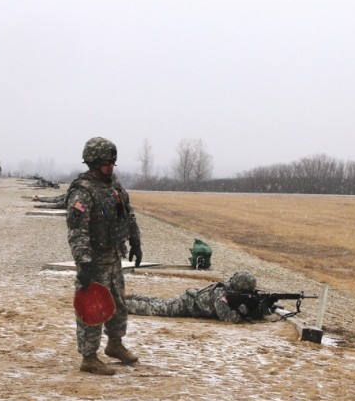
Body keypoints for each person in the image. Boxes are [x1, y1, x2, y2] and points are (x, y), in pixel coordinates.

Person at [66, 137, 142, 375]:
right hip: (94, 261)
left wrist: (136, 241)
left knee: (118, 303)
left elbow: (128, 214)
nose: (111, 166)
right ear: (93, 162)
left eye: (113, 162)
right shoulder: (83, 192)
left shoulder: (114, 186)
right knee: (92, 307)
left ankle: (115, 344)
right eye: (106, 163)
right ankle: (89, 357)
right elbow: (78, 232)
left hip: (113, 256)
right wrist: (84, 263)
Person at [125, 271, 258, 322]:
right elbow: (228, 318)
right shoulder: (221, 293)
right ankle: (123, 305)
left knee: (158, 302)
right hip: (187, 305)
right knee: (154, 309)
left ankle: (131, 296)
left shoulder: (230, 290)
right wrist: (246, 308)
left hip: (189, 299)